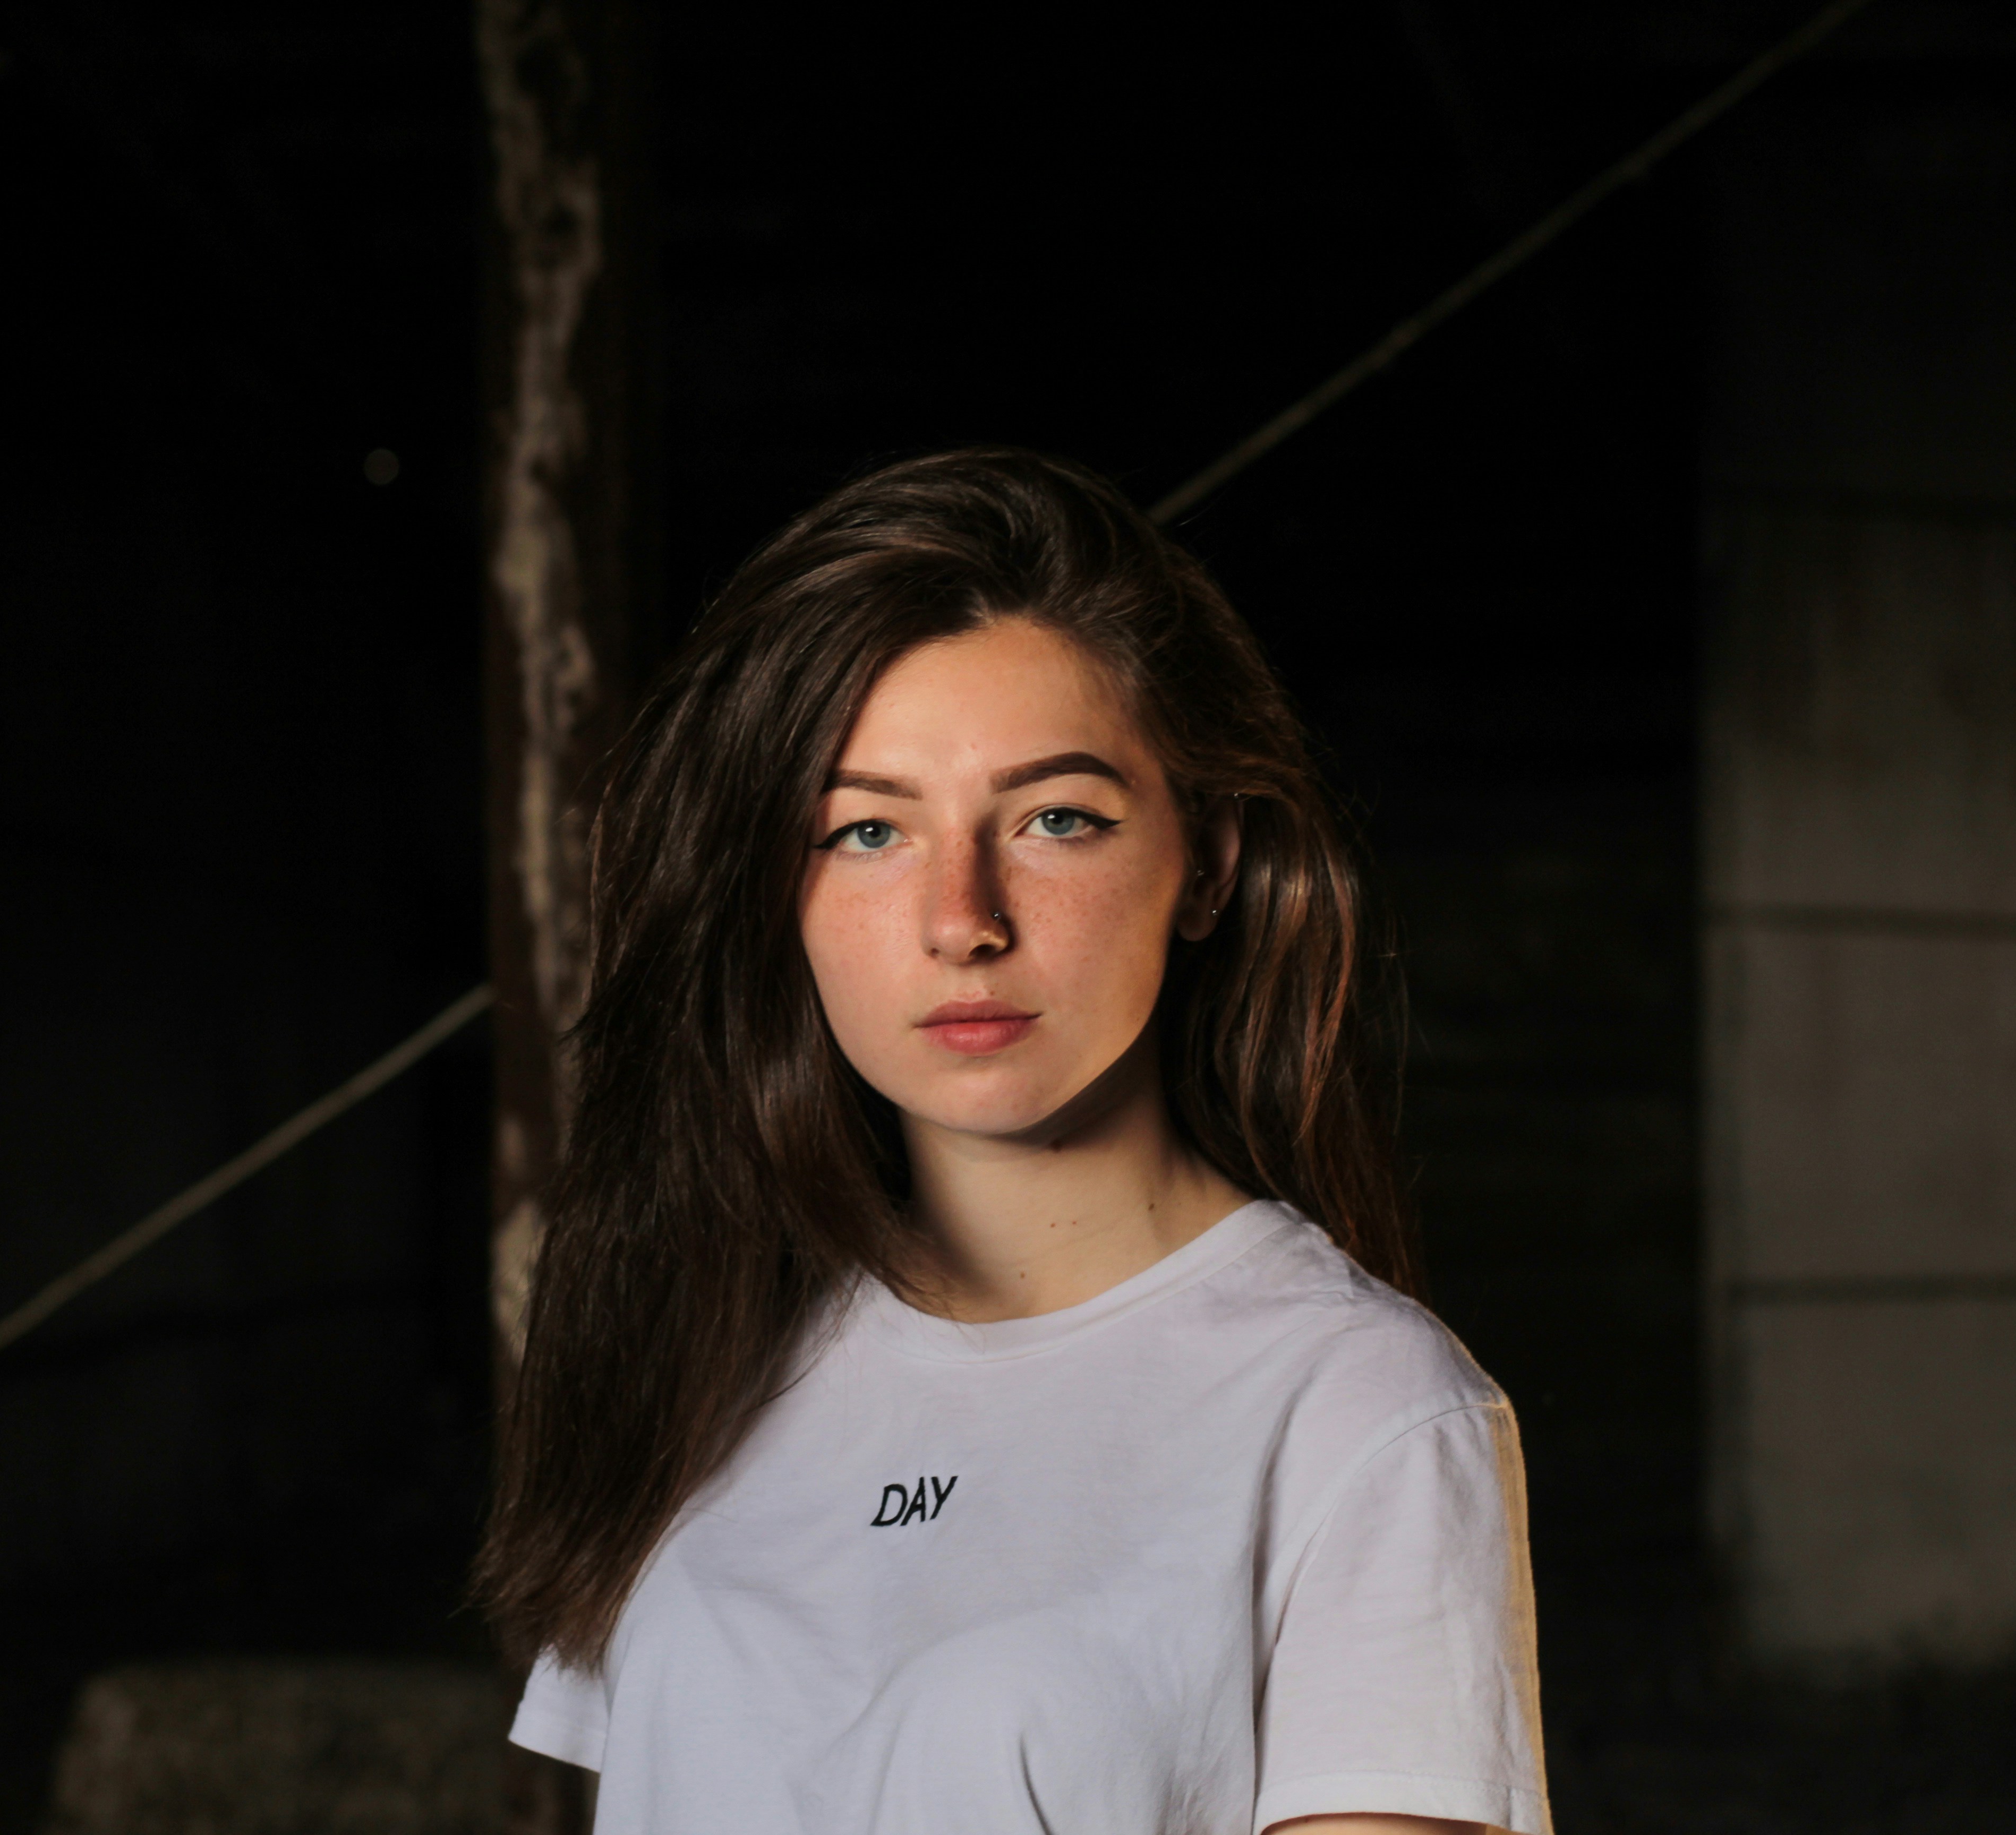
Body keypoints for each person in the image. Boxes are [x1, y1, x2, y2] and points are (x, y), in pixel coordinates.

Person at [476, 448, 1547, 1834]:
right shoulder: (701, 1346)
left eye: (1056, 819)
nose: (960, 915)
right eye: (866, 830)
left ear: (1208, 859)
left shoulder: (1359, 1410)